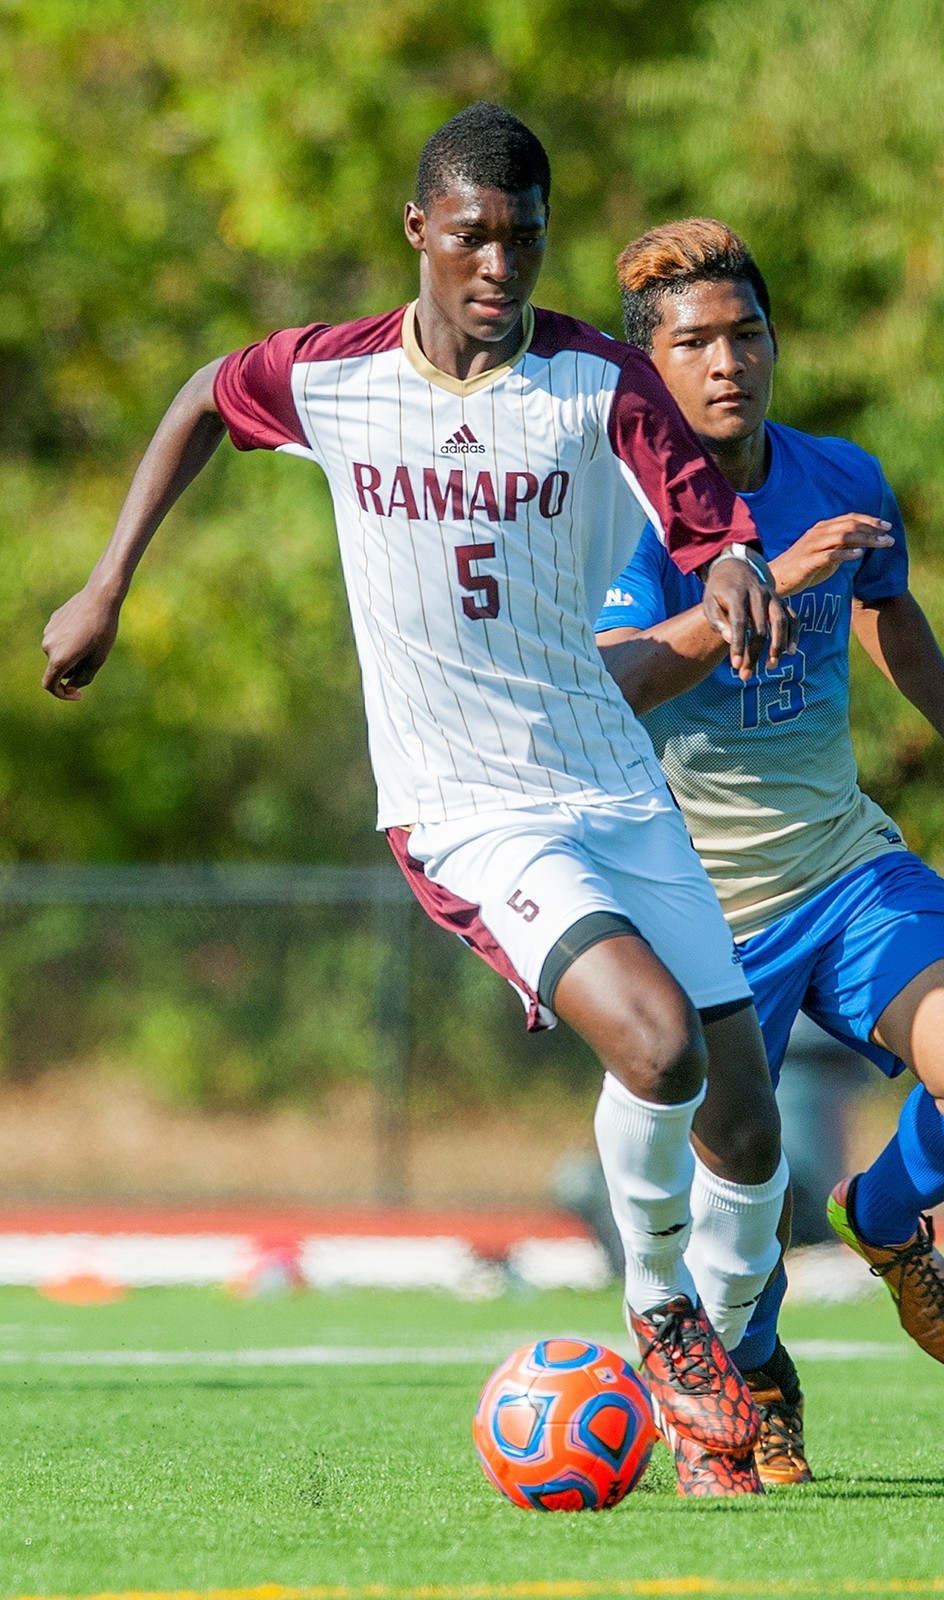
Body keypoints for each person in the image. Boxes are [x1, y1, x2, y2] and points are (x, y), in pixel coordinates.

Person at [42, 109, 796, 1498]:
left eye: (523, 239)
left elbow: (701, 514)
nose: (499, 269)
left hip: (608, 781)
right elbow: (206, 393)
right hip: (465, 807)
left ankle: (740, 1347)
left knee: (747, 1132)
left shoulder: (596, 379)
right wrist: (108, 582)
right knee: (656, 1046)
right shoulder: (331, 377)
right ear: (418, 234)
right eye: (472, 239)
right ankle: (659, 1310)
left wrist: (735, 564)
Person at [596, 218, 944, 1487]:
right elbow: (608, 684)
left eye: (746, 333)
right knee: (735, 1178)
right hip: (690, 908)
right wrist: (764, 581)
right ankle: (753, 1385)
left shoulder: (841, 473)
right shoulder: (616, 516)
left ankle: (885, 1217)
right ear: (650, 371)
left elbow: (887, 602)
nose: (727, 360)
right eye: (693, 342)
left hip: (843, 870)